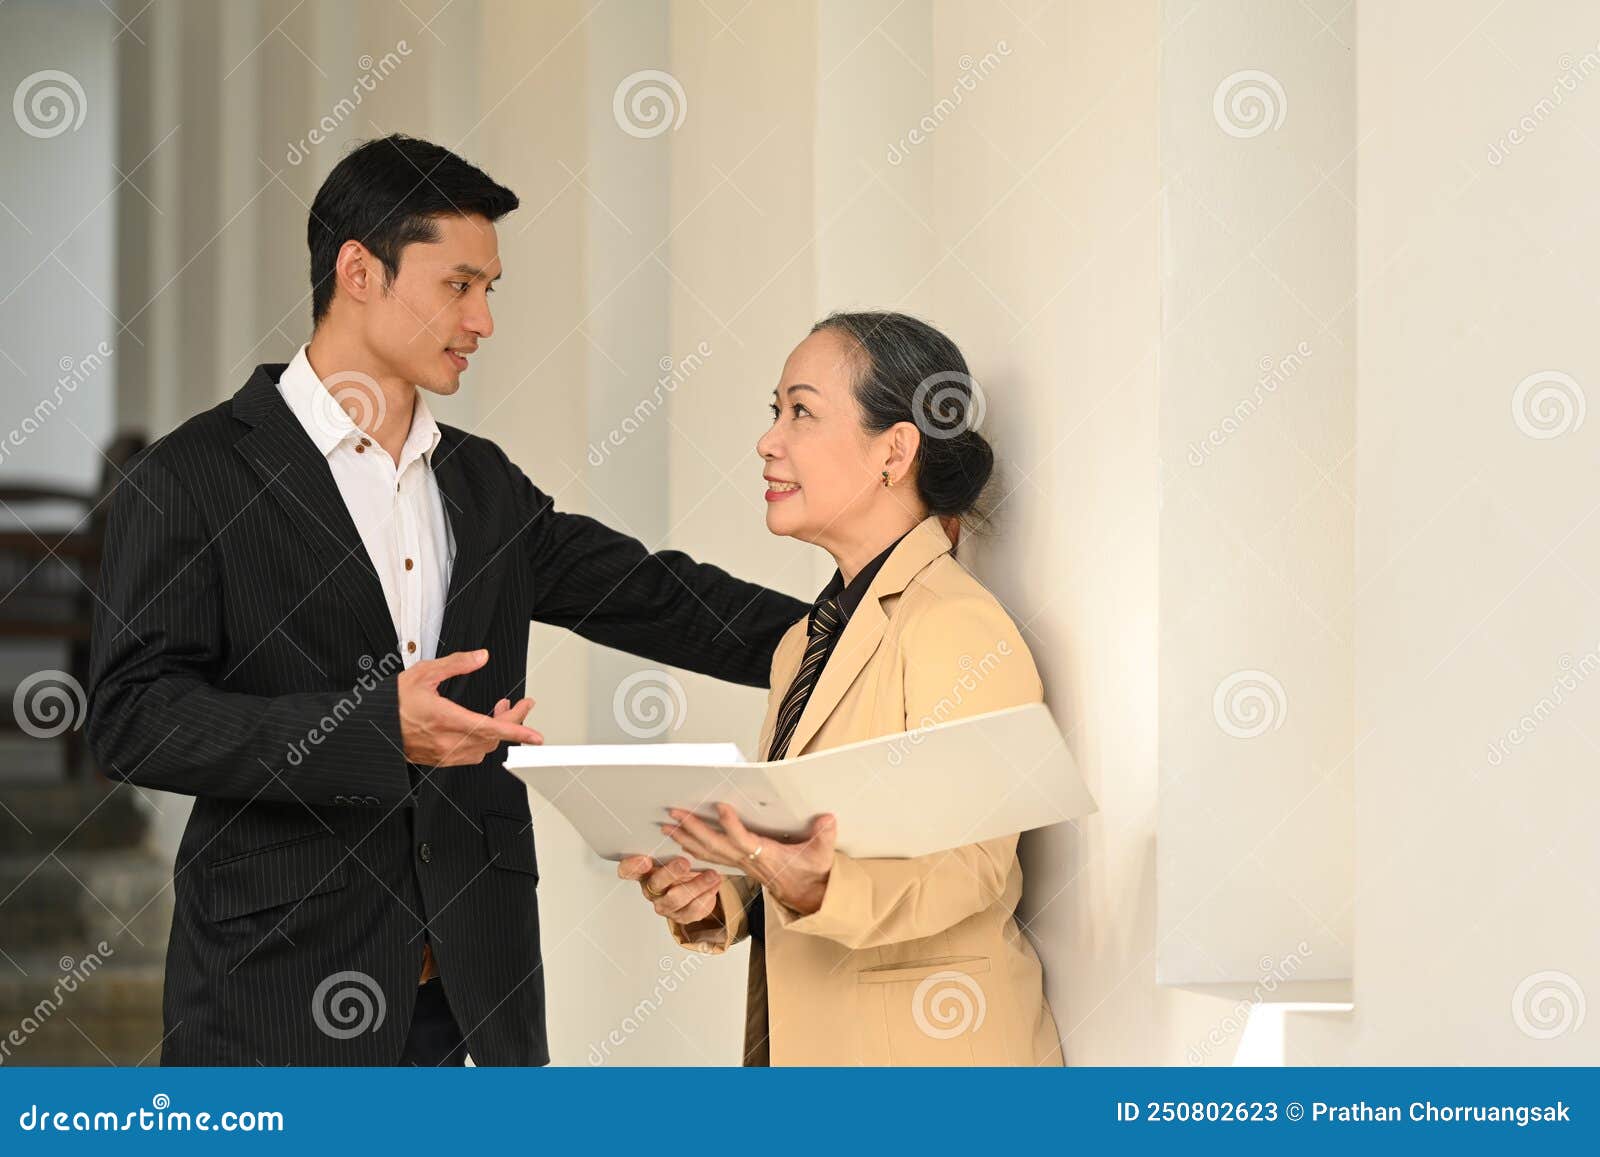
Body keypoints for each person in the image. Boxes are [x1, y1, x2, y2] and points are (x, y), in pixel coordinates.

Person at [85, 134, 808, 1066]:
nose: (483, 320)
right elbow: (132, 718)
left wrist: (849, 627)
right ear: (358, 270)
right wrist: (374, 731)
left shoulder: (483, 483)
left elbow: (654, 595)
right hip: (274, 990)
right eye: (458, 285)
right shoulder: (191, 475)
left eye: (489, 290)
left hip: (477, 990)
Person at [619, 311, 1061, 1066]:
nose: (768, 440)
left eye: (801, 411)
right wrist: (720, 893)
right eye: (775, 411)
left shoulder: (955, 623)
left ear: (895, 449)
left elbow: (974, 868)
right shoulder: (805, 641)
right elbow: (805, 844)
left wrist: (818, 885)